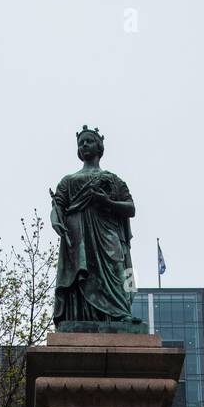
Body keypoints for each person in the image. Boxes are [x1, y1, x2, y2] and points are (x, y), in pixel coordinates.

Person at [51, 126, 143, 327]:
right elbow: (58, 204)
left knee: (117, 269)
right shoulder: (68, 181)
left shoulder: (114, 179)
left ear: (99, 147)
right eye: (81, 142)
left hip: (108, 234)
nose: (84, 145)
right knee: (81, 275)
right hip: (79, 235)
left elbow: (131, 208)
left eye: (89, 141)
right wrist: (55, 219)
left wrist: (107, 202)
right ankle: (80, 318)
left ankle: (120, 314)